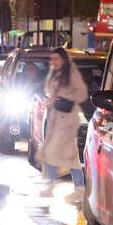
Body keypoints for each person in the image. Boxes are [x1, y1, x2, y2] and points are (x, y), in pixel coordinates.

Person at [39, 47, 89, 190]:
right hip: (56, 117)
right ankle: (79, 186)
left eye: (57, 59)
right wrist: (50, 100)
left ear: (63, 59)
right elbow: (49, 91)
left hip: (68, 118)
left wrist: (63, 98)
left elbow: (82, 94)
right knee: (70, 154)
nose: (54, 62)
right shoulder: (53, 73)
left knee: (51, 150)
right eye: (52, 59)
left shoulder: (71, 74)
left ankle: (51, 183)